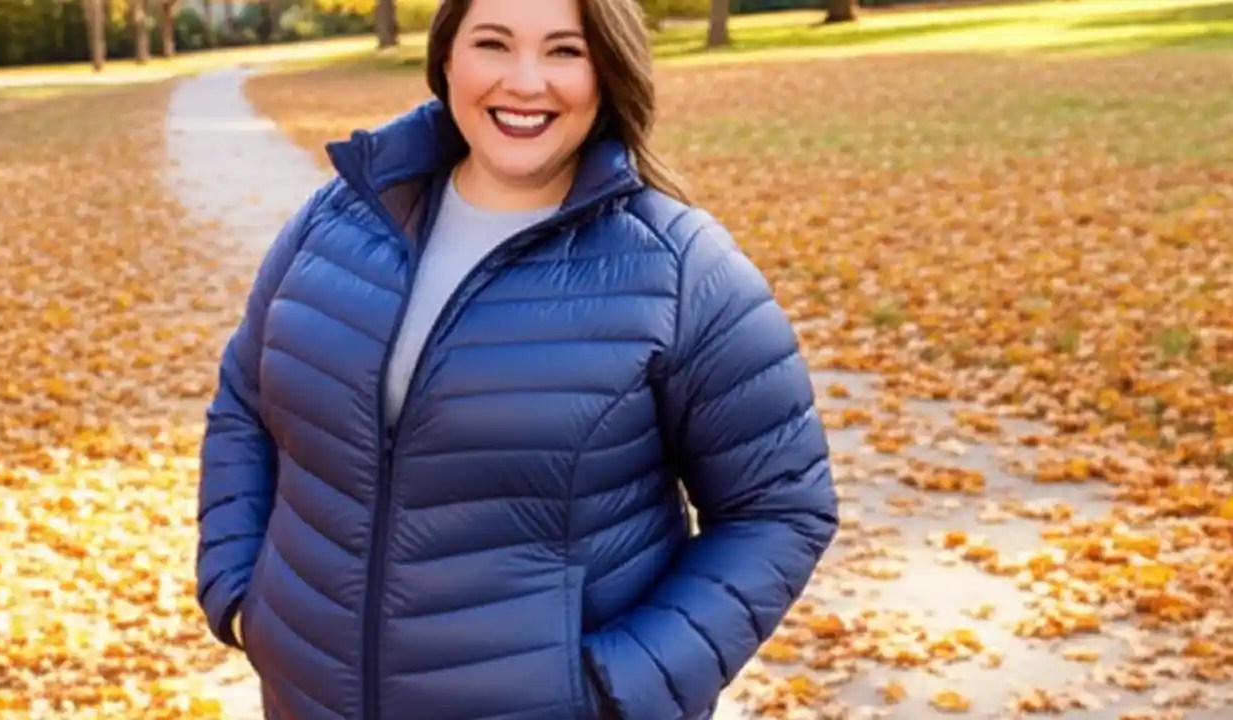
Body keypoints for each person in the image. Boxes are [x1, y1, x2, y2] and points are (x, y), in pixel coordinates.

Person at [194, 0, 838, 718]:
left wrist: (615, 687)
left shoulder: (680, 267)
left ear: (608, 69)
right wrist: (239, 590)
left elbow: (779, 509)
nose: (525, 81)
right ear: (448, 58)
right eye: (493, 43)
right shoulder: (337, 219)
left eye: (564, 51)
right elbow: (244, 406)